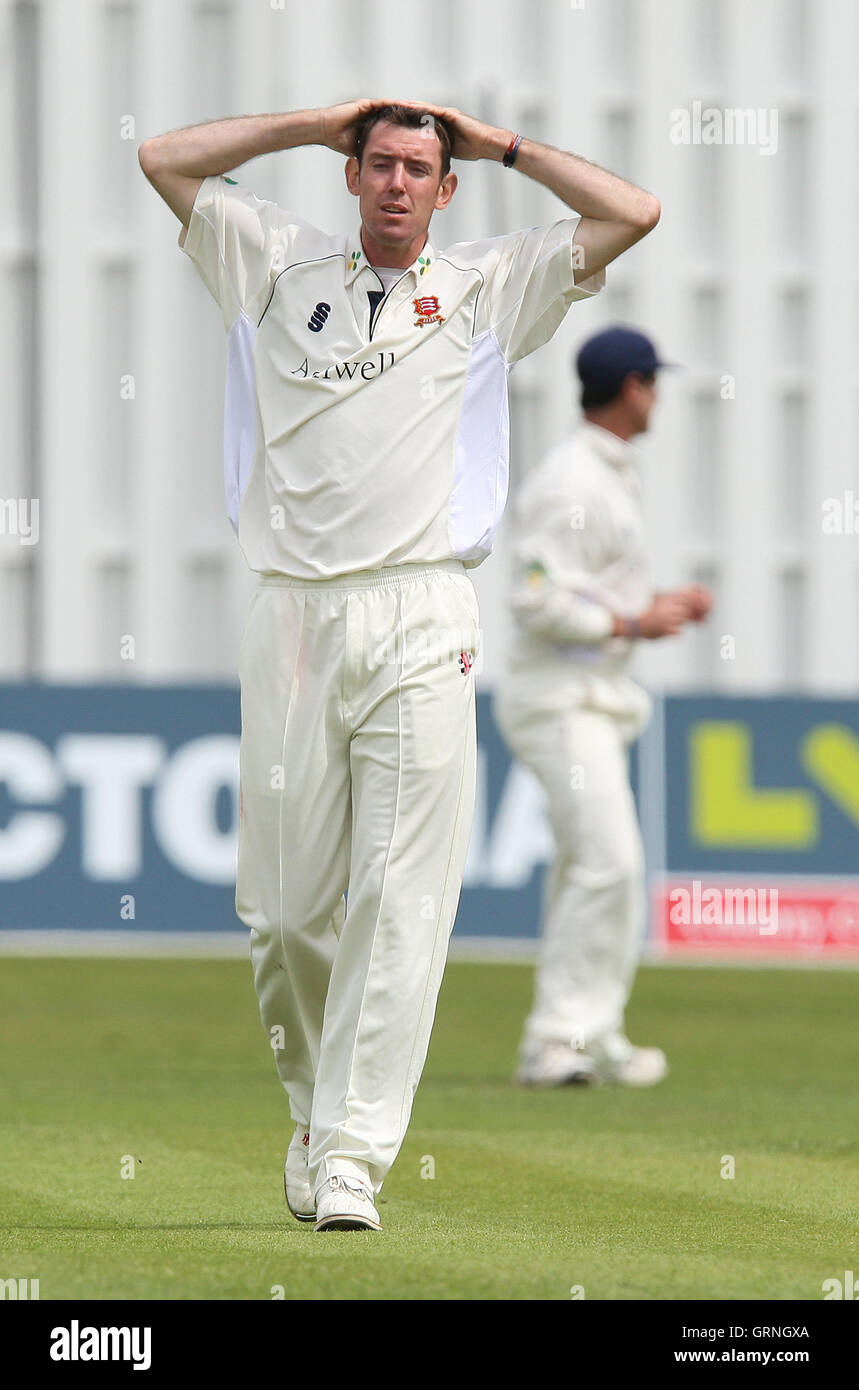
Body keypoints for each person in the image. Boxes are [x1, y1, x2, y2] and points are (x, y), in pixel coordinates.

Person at [138, 101, 660, 1229]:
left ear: (446, 184)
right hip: (291, 614)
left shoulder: (485, 284)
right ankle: (318, 1115)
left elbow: (634, 211)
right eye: (378, 163)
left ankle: (353, 1159)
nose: (395, 183)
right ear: (351, 173)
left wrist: (503, 144)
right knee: (280, 912)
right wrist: (317, 122)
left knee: (400, 895)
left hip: (424, 609)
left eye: (419, 168)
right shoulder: (272, 262)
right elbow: (161, 157)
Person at [494, 326, 713, 1089]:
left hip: (587, 696)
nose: (656, 397)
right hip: (558, 700)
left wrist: (656, 605)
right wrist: (631, 623)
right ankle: (558, 1040)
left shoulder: (605, 473)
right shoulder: (571, 481)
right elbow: (532, 599)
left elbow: (579, 587)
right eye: (652, 383)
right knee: (609, 861)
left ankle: (591, 1032)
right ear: (631, 388)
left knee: (590, 866)